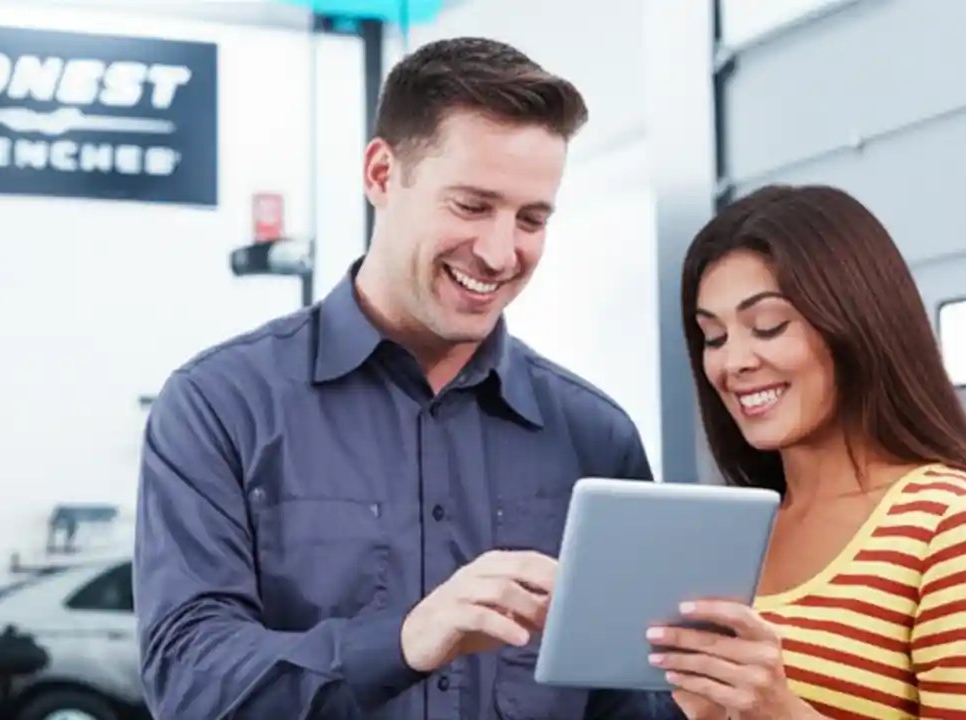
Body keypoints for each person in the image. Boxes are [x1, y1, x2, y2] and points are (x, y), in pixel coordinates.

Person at [134, 37, 674, 719]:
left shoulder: (596, 437)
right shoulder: (219, 408)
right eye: (472, 206)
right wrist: (402, 642)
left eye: (531, 219)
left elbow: (626, 702)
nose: (500, 253)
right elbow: (189, 681)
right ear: (382, 174)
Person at [649, 184, 966, 719]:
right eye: (713, 337)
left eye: (767, 326)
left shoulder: (955, 525)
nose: (733, 362)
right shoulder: (730, 535)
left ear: (856, 323)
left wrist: (780, 711)